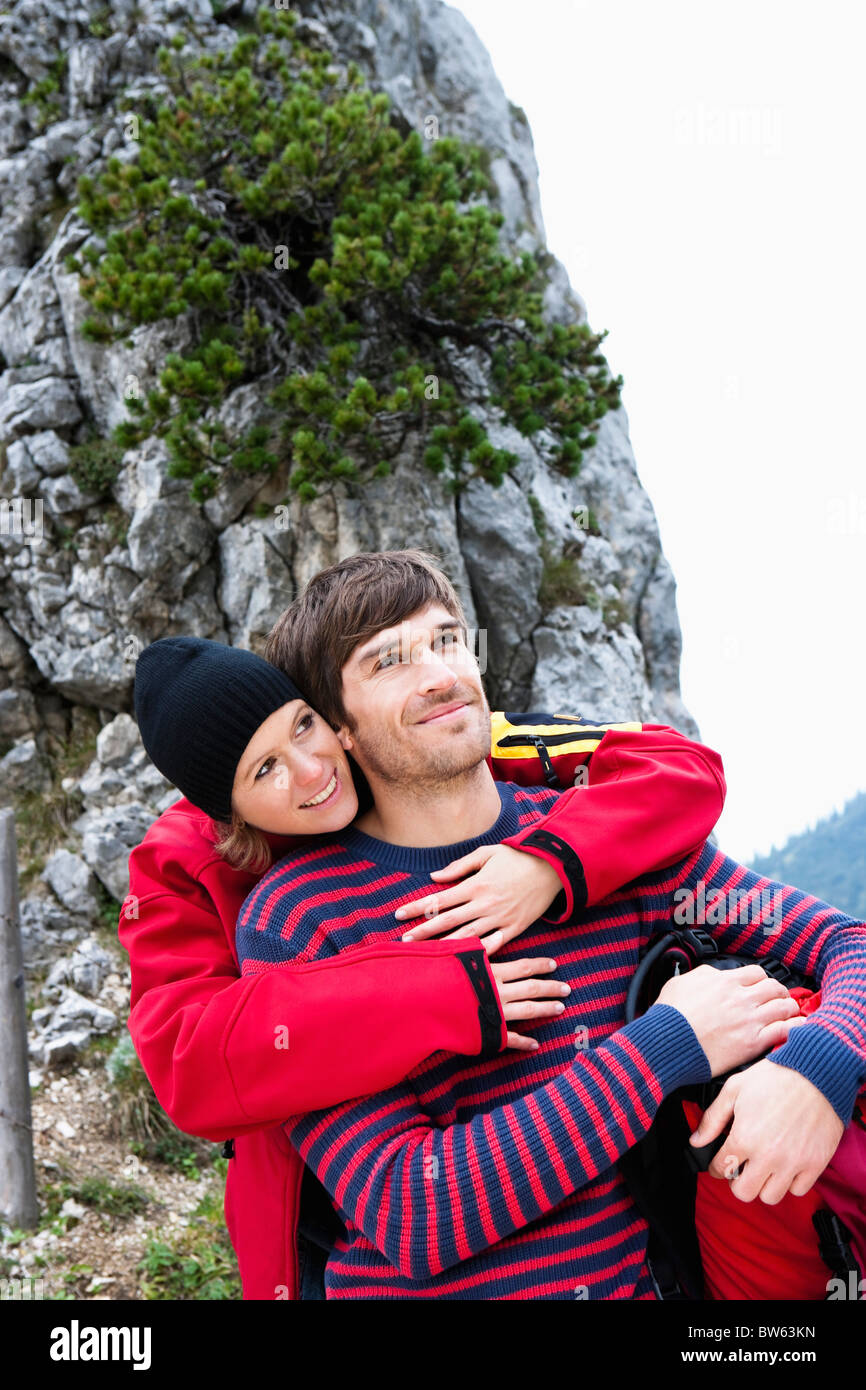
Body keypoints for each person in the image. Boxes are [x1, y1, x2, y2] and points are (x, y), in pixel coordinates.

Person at [235, 550, 866, 1300]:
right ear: (336, 725)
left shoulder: (605, 847)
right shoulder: (298, 919)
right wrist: (662, 1048)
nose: (439, 675)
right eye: (388, 662)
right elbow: (412, 1213)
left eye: (446, 639)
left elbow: (845, 944)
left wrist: (819, 1069)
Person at [125, 559, 728, 1300]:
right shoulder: (199, 870)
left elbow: (679, 768)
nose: (312, 769)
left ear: (331, 722)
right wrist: (445, 994)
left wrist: (550, 862)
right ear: (231, 814)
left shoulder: (456, 739)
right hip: (326, 1205)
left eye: (304, 728)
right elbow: (191, 1064)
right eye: (266, 771)